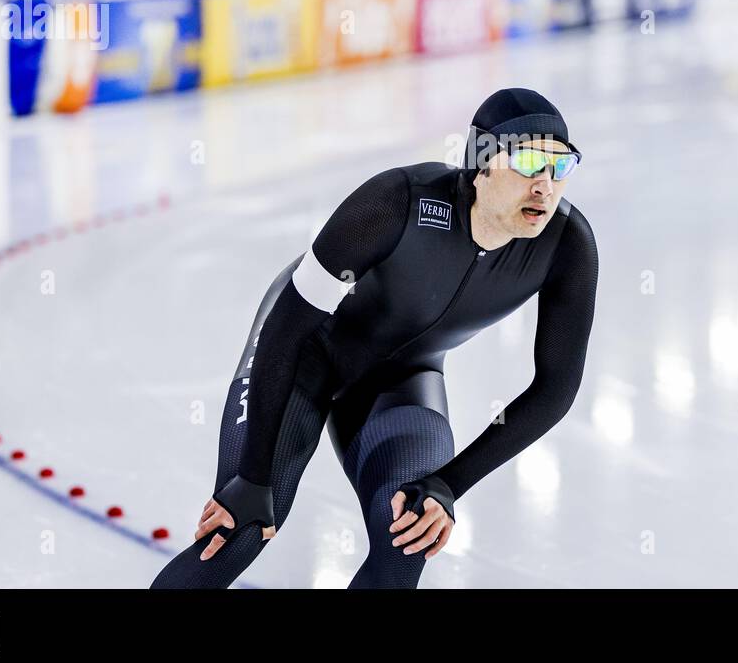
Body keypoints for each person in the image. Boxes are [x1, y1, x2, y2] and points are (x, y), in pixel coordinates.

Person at [150, 88, 599, 588]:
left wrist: (449, 484)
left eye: (560, 167)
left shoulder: (567, 244)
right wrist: (253, 477)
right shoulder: (396, 203)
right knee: (241, 529)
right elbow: (286, 327)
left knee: (407, 538)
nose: (545, 186)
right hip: (302, 355)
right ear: (483, 162)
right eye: (531, 162)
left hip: (404, 380)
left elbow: (556, 387)